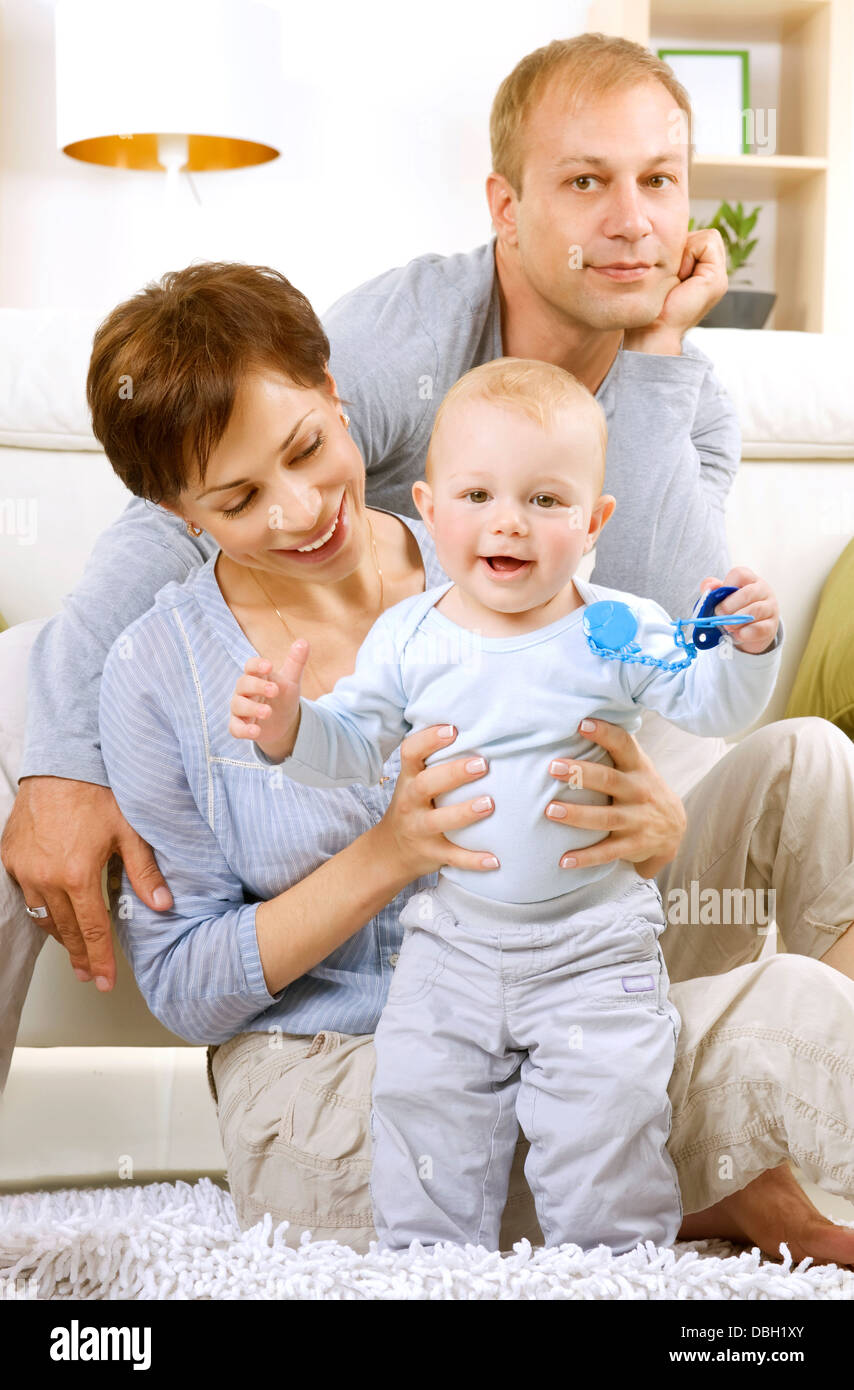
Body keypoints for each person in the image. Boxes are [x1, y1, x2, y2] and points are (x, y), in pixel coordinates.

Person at [3, 33, 854, 1262]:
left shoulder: (466, 560)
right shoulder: (160, 665)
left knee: (807, 806)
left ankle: (726, 1176)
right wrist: (383, 850)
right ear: (181, 520)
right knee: (14, 681)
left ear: (339, 406)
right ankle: (713, 1192)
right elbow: (188, 982)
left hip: (543, 992)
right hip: (349, 1072)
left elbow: (650, 639)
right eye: (236, 503)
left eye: (304, 453)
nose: (297, 513)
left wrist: (652, 824)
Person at [230, 356, 784, 1253]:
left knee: (609, 1131)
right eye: (479, 495)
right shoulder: (411, 635)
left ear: (594, 520)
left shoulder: (617, 626)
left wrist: (749, 647)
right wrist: (292, 726)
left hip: (594, 948)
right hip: (453, 943)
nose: (509, 523)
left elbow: (712, 704)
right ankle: (432, 1270)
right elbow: (351, 745)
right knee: (423, 1118)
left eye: (546, 501)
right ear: (431, 509)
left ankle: (608, 1269)